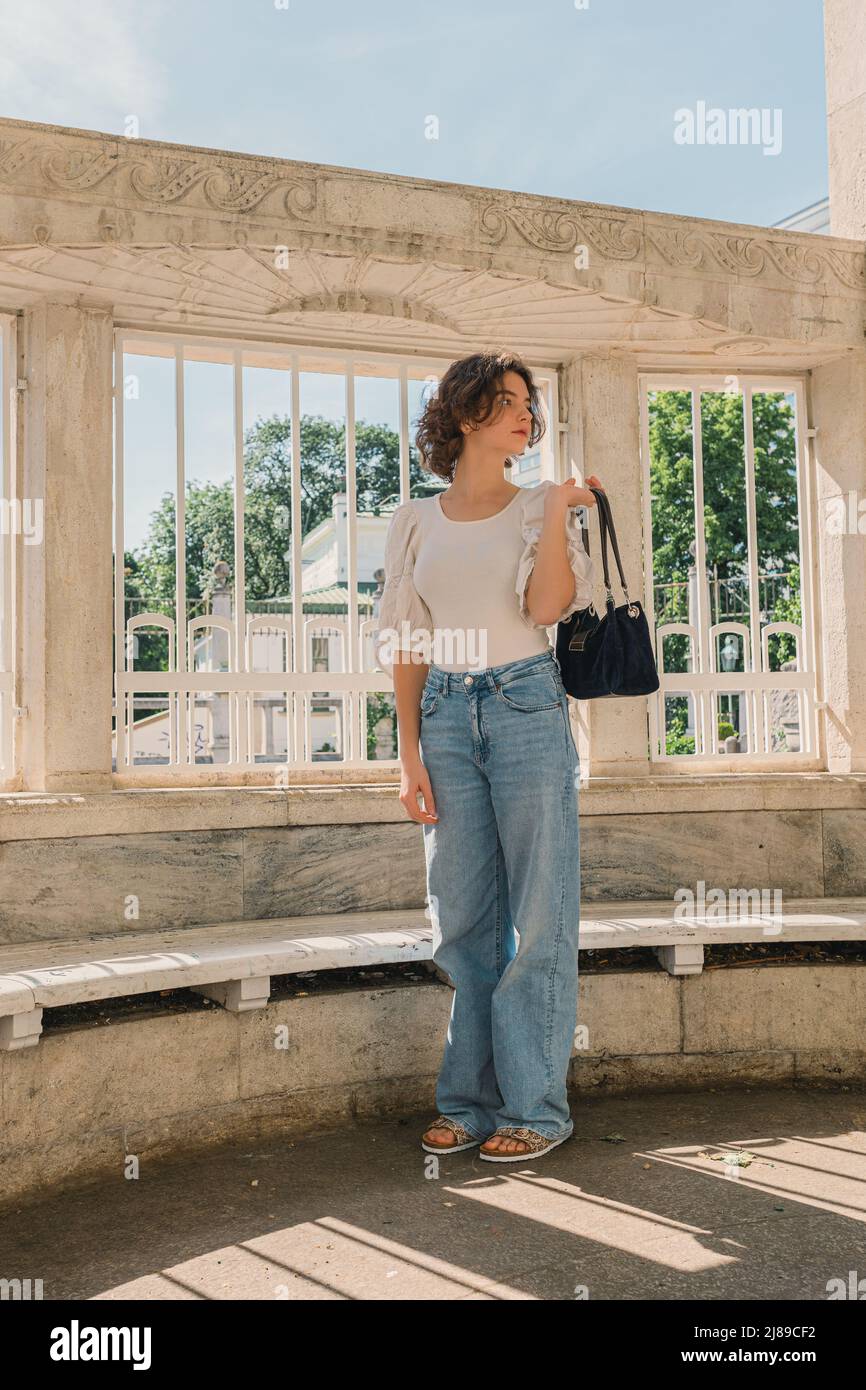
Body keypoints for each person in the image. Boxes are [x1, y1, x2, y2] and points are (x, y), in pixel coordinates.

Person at [374, 350, 604, 1162]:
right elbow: (405, 639)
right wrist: (407, 749)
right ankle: (466, 1104)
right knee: (462, 921)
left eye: (528, 405)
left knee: (541, 915)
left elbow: (546, 605)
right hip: (442, 713)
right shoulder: (415, 519)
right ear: (464, 413)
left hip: (525, 705)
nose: (524, 416)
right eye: (505, 402)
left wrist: (552, 510)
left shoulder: (543, 503)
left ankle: (536, 1108)